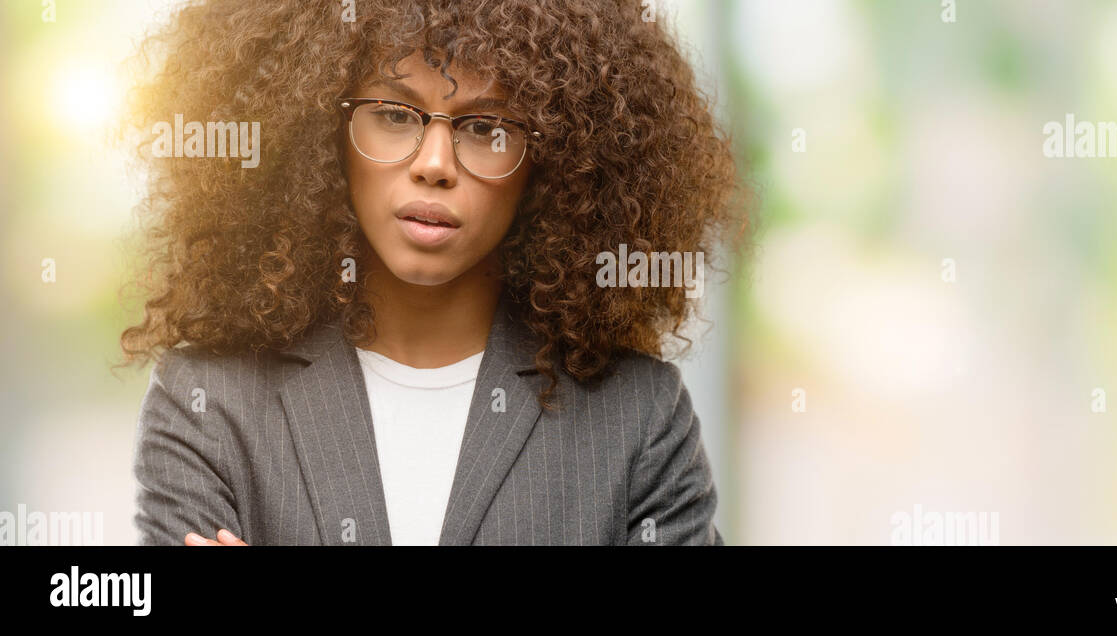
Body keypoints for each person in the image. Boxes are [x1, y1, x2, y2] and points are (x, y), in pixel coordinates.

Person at [118, 0, 747, 545]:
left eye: (485, 127)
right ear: (321, 132)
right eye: (395, 114)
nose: (434, 163)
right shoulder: (207, 402)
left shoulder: (638, 420)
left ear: (557, 161)